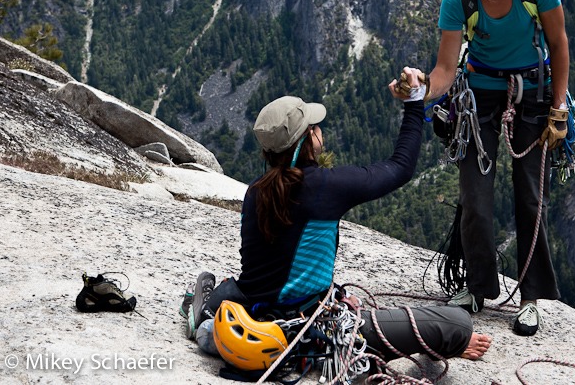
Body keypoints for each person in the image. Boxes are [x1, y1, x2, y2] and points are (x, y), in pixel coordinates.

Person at [183, 68, 491, 379]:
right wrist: (414, 101)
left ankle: (211, 316)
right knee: (458, 323)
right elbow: (400, 167)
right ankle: (442, 339)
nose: (319, 129)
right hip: (314, 327)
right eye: (314, 126)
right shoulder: (326, 187)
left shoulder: (256, 191)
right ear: (307, 139)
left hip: (255, 311)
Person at [413, 0, 569, 336]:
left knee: (530, 197)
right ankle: (477, 287)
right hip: (478, 94)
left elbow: (558, 45)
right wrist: (418, 88)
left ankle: (531, 298)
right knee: (475, 197)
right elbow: (445, 70)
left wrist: (558, 109)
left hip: (533, 92)